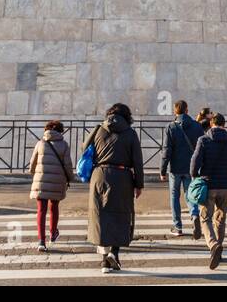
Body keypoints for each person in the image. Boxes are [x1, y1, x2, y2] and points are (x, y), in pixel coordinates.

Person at [83, 103, 145, 274]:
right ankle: (114, 253)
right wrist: (139, 184)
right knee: (120, 215)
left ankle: (104, 261)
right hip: (122, 177)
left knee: (100, 217)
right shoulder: (130, 133)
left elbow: (84, 149)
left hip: (99, 176)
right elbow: (137, 161)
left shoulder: (98, 130)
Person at [189, 112, 227, 269]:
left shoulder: (203, 140)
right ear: (224, 125)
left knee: (205, 218)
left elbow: (195, 162)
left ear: (212, 124)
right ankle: (218, 248)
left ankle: (213, 245)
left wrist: (194, 177)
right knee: (220, 219)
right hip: (224, 187)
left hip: (208, 185)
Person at [158, 99, 205, 238]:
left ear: (175, 111)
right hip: (191, 168)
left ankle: (178, 227)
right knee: (190, 195)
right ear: (187, 110)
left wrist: (162, 170)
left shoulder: (171, 127)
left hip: (175, 168)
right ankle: (194, 215)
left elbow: (166, 151)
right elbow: (202, 147)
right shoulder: (197, 126)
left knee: (174, 197)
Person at [27, 120, 75, 251]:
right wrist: (70, 178)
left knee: (41, 210)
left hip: (40, 180)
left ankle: (41, 241)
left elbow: (32, 164)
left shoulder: (40, 143)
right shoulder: (64, 145)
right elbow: (68, 165)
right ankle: (53, 234)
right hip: (57, 180)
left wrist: (34, 174)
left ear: (46, 130)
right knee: (54, 206)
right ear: (60, 131)